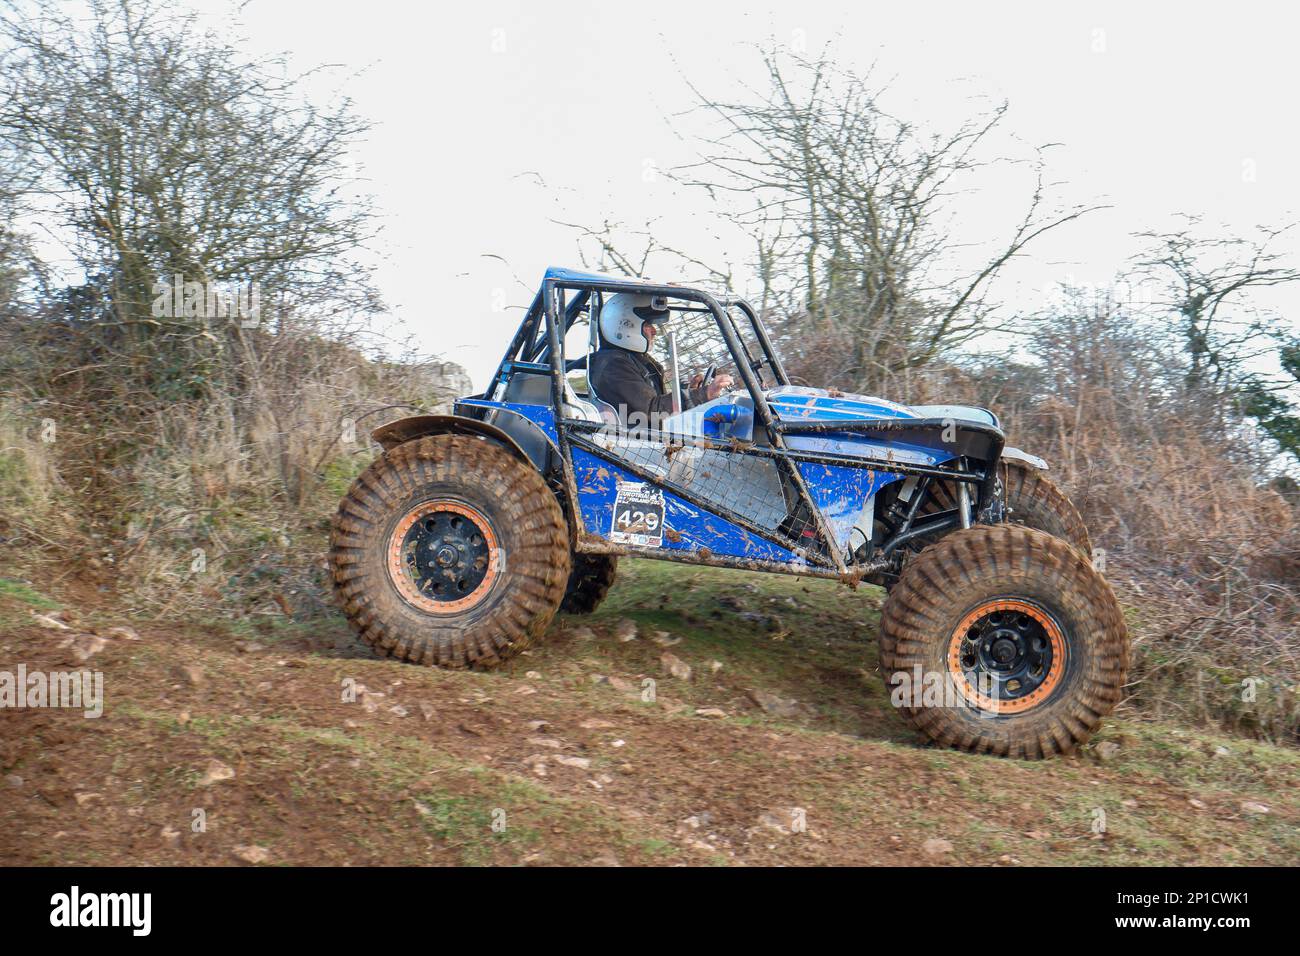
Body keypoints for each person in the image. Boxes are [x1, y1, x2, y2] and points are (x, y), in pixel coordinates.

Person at [589, 293, 733, 429]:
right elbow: (652, 412)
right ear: (625, 324)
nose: (654, 331)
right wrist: (703, 394)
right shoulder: (614, 366)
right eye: (648, 325)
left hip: (648, 440)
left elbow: (657, 404)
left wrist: (691, 391)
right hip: (634, 444)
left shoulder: (632, 360)